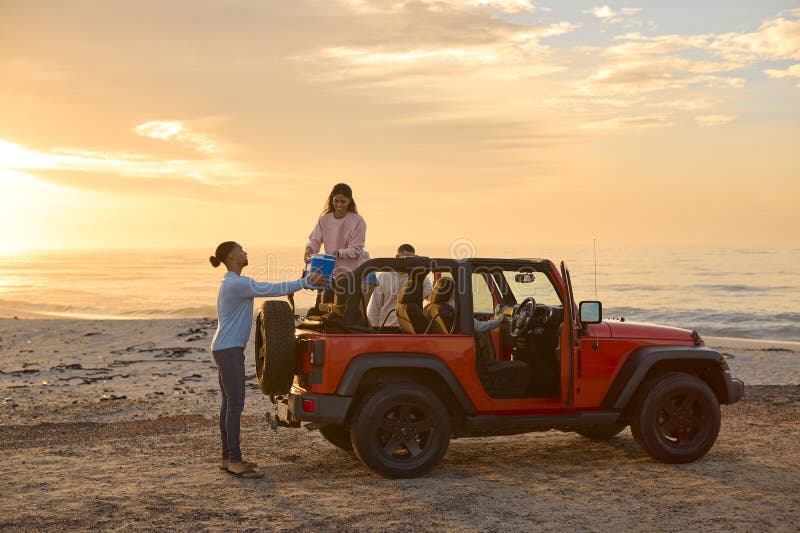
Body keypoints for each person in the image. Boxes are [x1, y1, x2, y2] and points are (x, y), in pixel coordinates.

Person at [209, 241, 327, 479]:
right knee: (235, 405)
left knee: (228, 405)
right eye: (241, 250)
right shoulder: (237, 283)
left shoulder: (232, 282)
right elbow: (270, 289)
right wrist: (305, 282)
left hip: (226, 348)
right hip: (228, 350)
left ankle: (226, 457)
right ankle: (234, 460)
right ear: (232, 257)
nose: (245, 253)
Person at [304, 183, 377, 305]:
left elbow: (357, 249)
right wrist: (310, 248)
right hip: (337, 272)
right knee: (327, 310)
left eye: (343, 202)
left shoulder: (357, 221)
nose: (339, 205)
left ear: (349, 201)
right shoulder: (324, 219)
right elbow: (315, 240)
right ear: (332, 200)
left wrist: (339, 253)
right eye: (336, 201)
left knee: (359, 315)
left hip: (362, 271)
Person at [367, 244, 433, 328]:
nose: (409, 263)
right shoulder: (384, 277)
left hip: (412, 330)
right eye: (405, 259)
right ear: (397, 257)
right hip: (386, 329)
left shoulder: (420, 277)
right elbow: (374, 307)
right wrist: (373, 331)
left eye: (412, 260)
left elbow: (431, 298)